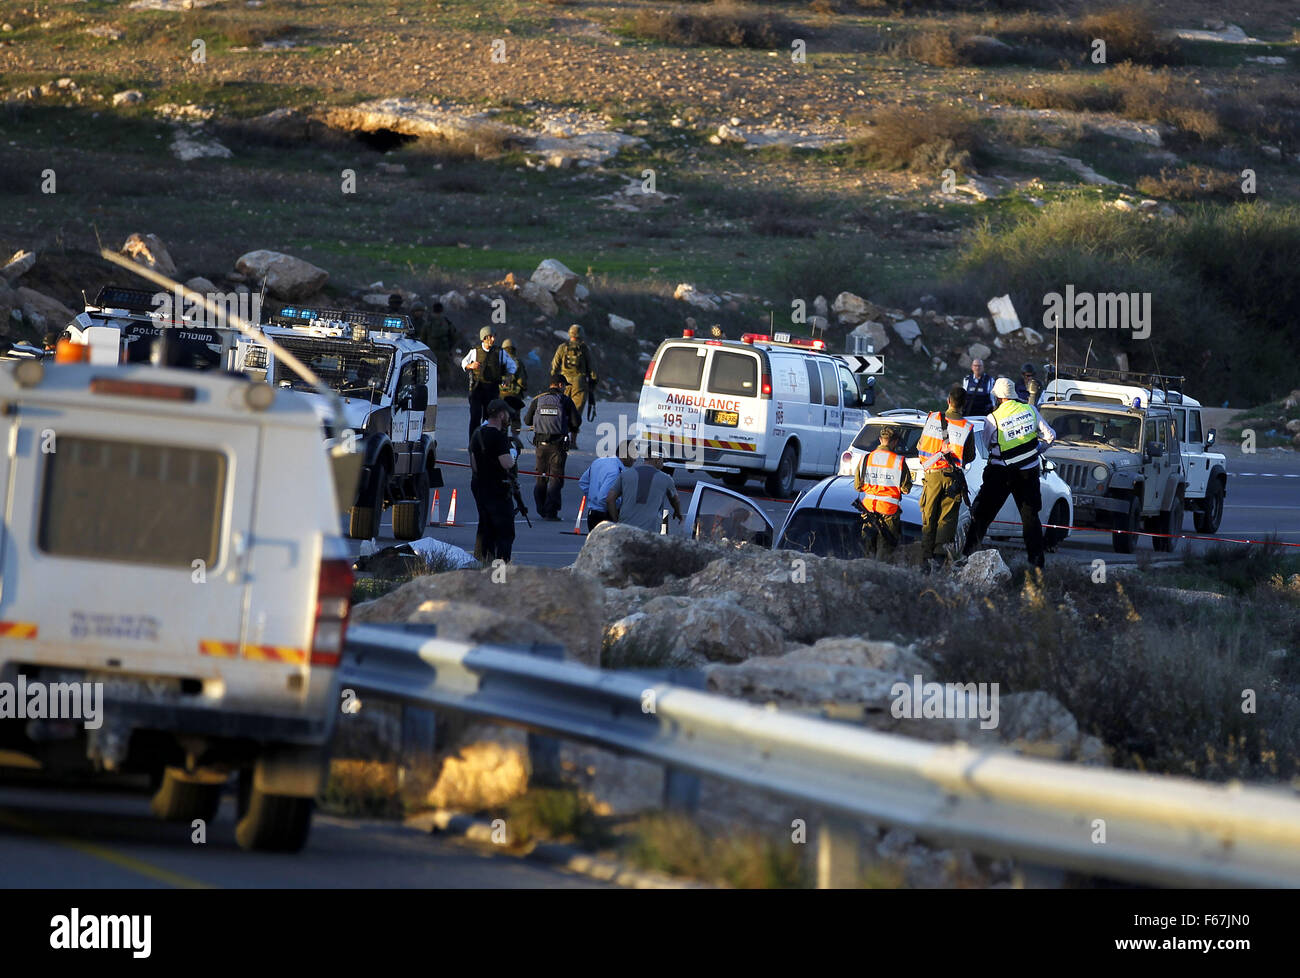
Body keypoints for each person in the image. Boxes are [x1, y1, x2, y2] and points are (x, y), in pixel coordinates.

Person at [961, 377, 1057, 569]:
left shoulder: (993, 418)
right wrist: (1036, 451)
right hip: (1028, 473)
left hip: (1000, 472)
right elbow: (1050, 436)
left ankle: (966, 555)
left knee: (983, 515)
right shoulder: (1030, 410)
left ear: (998, 397)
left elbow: (989, 444)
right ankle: (1036, 564)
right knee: (1030, 518)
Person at [917, 385, 976, 571]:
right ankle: (939, 560)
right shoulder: (967, 427)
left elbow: (920, 445)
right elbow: (970, 456)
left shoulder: (932, 418)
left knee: (929, 518)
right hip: (952, 478)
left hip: (932, 476)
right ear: (963, 404)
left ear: (948, 401)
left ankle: (925, 560)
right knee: (946, 520)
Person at [522, 373, 580, 520]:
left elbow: (527, 420)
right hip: (557, 447)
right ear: (560, 385)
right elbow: (576, 422)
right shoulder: (565, 401)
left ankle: (541, 509)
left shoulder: (538, 399)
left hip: (540, 446)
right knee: (556, 479)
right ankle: (551, 512)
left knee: (541, 478)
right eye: (565, 386)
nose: (565, 389)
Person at [468, 400, 518, 563]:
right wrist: (513, 454)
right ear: (502, 414)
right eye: (507, 414)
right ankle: (500, 572)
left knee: (485, 530)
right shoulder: (499, 437)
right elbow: (507, 463)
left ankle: (483, 564)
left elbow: (474, 465)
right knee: (504, 532)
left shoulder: (477, 434)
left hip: (481, 488)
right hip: (498, 490)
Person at [854, 425, 912, 560]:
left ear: (880, 439)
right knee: (884, 555)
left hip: (868, 511)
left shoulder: (865, 459)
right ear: (895, 441)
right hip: (889, 513)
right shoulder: (899, 462)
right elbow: (906, 489)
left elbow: (858, 486)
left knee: (867, 553)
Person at [462, 325, 517, 441]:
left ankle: (487, 441)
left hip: (492, 389)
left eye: (494, 337)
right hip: (477, 389)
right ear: (484, 338)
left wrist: (508, 377)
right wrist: (470, 365)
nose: (493, 339)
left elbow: (512, 365)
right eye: (490, 337)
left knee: (490, 418)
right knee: (475, 417)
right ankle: (473, 442)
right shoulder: (475, 351)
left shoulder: (500, 352)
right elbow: (463, 363)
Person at [606, 451, 682, 533]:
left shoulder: (625, 474)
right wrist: (677, 512)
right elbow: (675, 500)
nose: (663, 464)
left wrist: (616, 521)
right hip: (650, 531)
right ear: (657, 460)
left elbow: (610, 499)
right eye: (663, 460)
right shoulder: (666, 478)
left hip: (625, 528)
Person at [551, 324, 597, 448]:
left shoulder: (562, 348)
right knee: (575, 413)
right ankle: (573, 441)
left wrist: (553, 382)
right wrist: (592, 385)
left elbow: (554, 366)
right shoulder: (584, 349)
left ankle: (560, 438)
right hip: (580, 384)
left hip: (563, 384)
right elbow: (592, 370)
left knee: (561, 410)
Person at [578, 439, 635, 532]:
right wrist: (615, 520)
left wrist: (593, 498)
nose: (635, 459)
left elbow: (583, 482)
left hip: (592, 514)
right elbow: (605, 498)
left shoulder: (599, 461)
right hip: (605, 517)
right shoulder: (616, 471)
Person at [498, 338, 529, 435]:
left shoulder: (499, 361)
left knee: (502, 418)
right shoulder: (518, 362)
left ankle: (502, 437)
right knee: (515, 419)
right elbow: (522, 381)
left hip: (501, 395)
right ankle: (515, 438)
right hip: (515, 395)